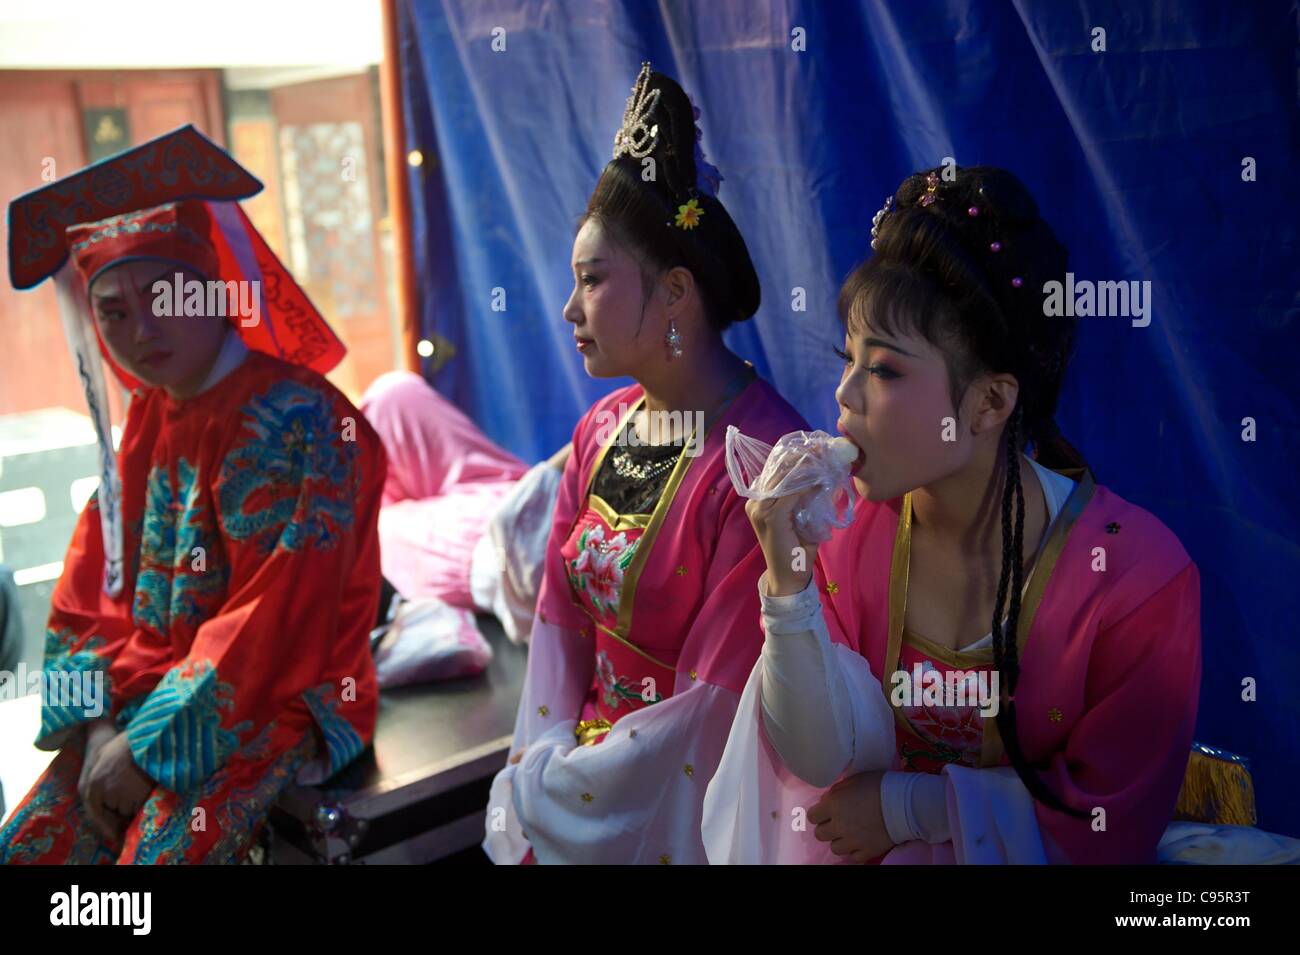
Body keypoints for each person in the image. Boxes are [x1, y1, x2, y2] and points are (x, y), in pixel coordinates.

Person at [703, 165, 1202, 864]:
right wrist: (789, 586)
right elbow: (818, 758)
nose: (843, 394)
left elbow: (1108, 826)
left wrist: (908, 806)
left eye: (883, 371)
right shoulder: (848, 535)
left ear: (990, 403)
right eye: (848, 360)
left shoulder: (1134, 582)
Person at [0, 129, 385, 864]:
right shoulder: (150, 415)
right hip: (141, 698)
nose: (140, 330)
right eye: (113, 311)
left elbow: (275, 626)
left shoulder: (299, 420)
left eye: (162, 295)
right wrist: (99, 730)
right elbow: (91, 594)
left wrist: (146, 752)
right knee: (26, 851)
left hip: (275, 703)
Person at [483, 63, 808, 864]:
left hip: (676, 806)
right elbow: (559, 624)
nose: (570, 309)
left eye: (592, 281)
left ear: (674, 294)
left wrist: (567, 787)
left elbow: (712, 704)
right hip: (572, 777)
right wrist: (546, 762)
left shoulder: (759, 463)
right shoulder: (600, 430)